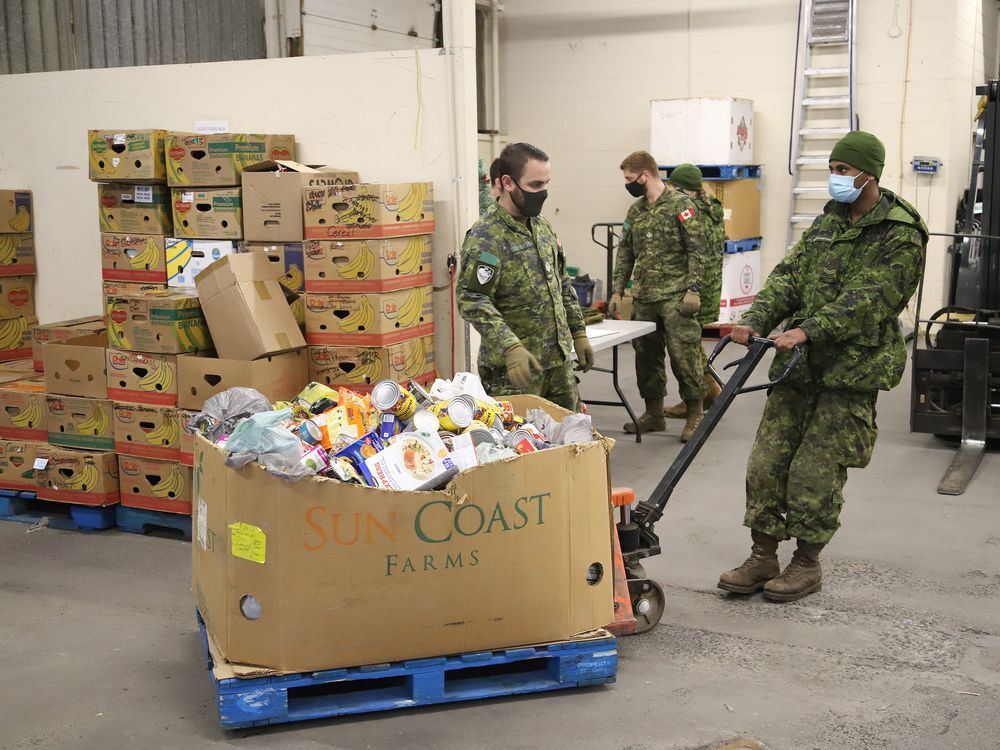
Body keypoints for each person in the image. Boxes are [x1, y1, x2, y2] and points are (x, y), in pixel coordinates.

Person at [718, 131, 927, 602]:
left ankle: (806, 563)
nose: (835, 178)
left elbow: (870, 299)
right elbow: (790, 277)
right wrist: (756, 318)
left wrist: (808, 330)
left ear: (869, 173)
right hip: (798, 366)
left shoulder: (901, 232)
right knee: (767, 461)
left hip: (849, 372)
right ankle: (762, 556)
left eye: (842, 170)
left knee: (816, 470)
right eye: (832, 169)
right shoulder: (829, 219)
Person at [458, 142, 594, 411]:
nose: (543, 193)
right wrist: (509, 347)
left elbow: (561, 283)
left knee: (572, 431)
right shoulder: (487, 237)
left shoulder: (542, 227)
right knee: (522, 436)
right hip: (514, 372)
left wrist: (578, 332)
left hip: (557, 364)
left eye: (546, 184)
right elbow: (472, 298)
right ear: (508, 183)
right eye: (535, 185)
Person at [609, 151, 711, 442]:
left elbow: (698, 250)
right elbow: (625, 252)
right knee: (646, 358)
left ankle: (695, 414)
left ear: (645, 174)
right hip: (645, 297)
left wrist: (693, 289)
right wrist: (617, 290)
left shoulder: (681, 205)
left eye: (630, 178)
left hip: (676, 297)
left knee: (684, 357)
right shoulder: (636, 211)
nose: (628, 184)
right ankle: (654, 414)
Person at [661, 164, 725, 419]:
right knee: (693, 344)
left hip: (694, 289)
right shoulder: (712, 209)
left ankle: (703, 395)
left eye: (673, 188)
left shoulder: (693, 213)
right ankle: (706, 392)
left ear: (684, 190)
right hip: (709, 286)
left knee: (687, 347)